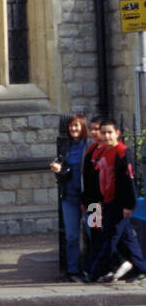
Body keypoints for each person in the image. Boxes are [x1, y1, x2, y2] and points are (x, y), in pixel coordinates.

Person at [82, 118, 146, 283]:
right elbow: (91, 178)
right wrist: (88, 201)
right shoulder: (96, 151)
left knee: (108, 238)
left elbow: (128, 181)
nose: (105, 136)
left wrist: (129, 205)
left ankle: (94, 271)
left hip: (117, 204)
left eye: (108, 132)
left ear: (117, 133)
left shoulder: (122, 152)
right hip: (99, 203)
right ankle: (141, 269)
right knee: (125, 239)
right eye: (102, 132)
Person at [50, 113, 92, 281]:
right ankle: (73, 270)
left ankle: (94, 268)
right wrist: (58, 170)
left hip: (92, 200)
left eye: (76, 125)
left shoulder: (91, 145)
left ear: (83, 126)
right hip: (70, 197)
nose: (73, 129)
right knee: (71, 236)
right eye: (71, 126)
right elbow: (63, 171)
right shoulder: (66, 146)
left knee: (94, 232)